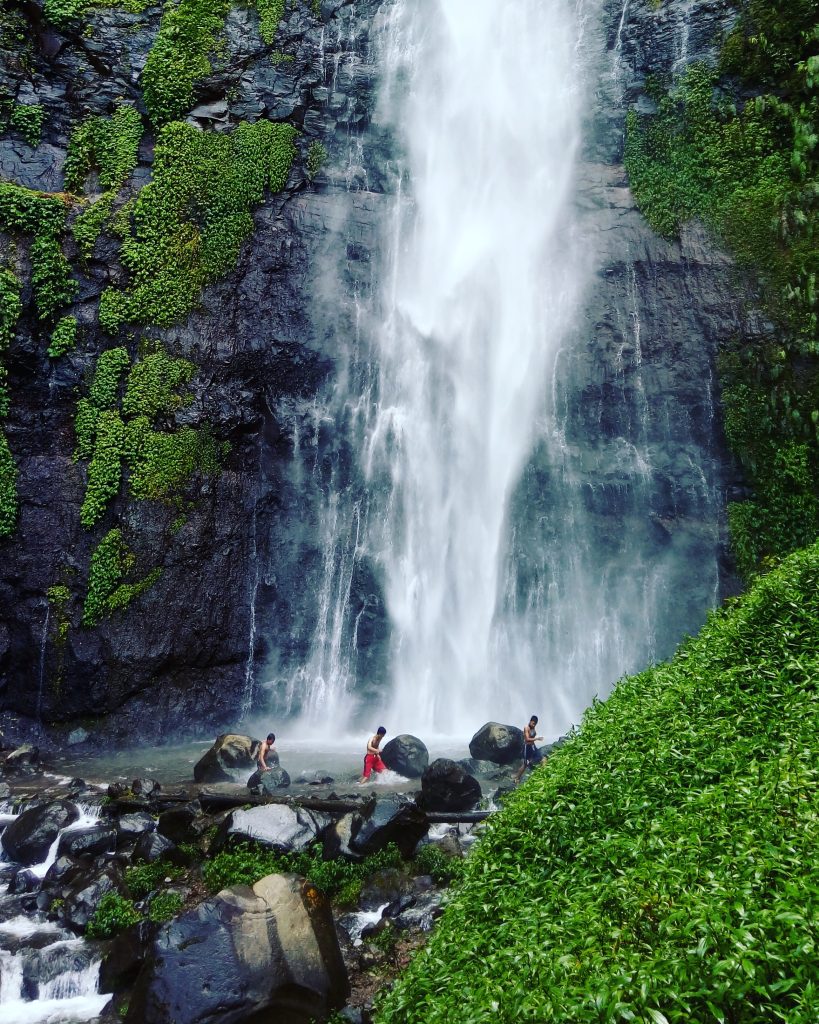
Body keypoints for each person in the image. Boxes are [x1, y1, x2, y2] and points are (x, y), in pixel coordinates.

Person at [515, 715, 544, 782]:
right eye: (533, 723)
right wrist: (537, 738)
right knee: (525, 765)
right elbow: (527, 739)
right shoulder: (526, 728)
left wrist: (535, 737)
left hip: (533, 747)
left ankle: (543, 776)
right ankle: (517, 778)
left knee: (543, 759)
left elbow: (533, 735)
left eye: (535, 724)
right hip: (527, 748)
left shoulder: (533, 728)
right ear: (530, 721)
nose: (534, 725)